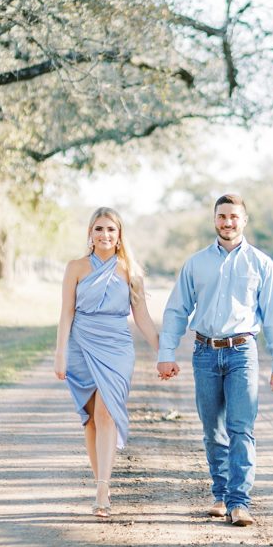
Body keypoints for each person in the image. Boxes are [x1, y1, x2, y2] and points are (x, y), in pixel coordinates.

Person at [157, 193, 273, 527]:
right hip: (204, 353)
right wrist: (166, 352)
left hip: (242, 351)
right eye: (221, 216)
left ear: (244, 220)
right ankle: (220, 495)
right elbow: (176, 310)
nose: (227, 222)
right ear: (214, 220)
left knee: (241, 427)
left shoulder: (261, 264)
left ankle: (239, 502)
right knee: (212, 429)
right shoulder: (196, 263)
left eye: (233, 216)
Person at [54, 207, 160, 518]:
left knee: (107, 412)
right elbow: (66, 313)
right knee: (90, 418)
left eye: (111, 229)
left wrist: (161, 350)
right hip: (80, 345)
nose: (105, 235)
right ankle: (100, 480)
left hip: (116, 346)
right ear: (90, 233)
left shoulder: (130, 270)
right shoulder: (75, 267)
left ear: (119, 234)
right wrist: (60, 352)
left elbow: (141, 316)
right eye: (99, 229)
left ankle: (102, 489)